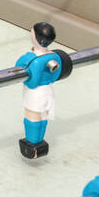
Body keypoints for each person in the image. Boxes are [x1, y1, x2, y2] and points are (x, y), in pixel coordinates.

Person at [16, 22, 62, 159]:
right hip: (48, 90)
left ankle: (31, 142)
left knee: (32, 116)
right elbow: (55, 76)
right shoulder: (54, 56)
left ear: (36, 38)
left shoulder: (31, 59)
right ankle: (39, 140)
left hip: (34, 93)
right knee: (43, 117)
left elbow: (29, 79)